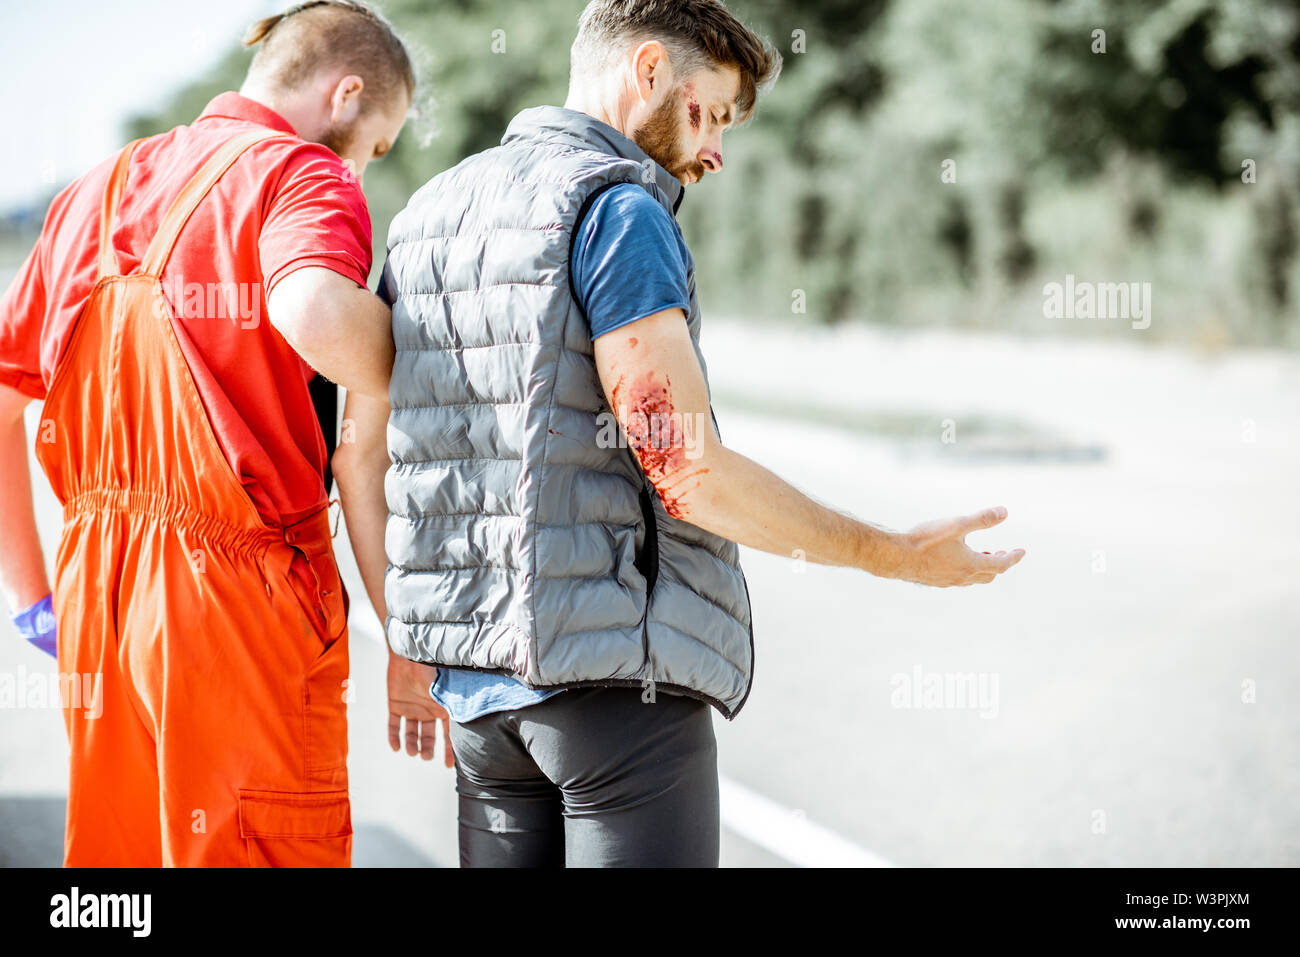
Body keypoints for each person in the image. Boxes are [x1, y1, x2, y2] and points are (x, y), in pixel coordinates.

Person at [339, 0, 1025, 868]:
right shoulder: (618, 212)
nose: (716, 152)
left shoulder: (427, 217)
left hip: (480, 707)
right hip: (617, 703)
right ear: (650, 70)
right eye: (712, 112)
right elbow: (685, 469)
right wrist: (891, 552)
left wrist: (407, 640)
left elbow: (359, 450)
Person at [0, 0, 420, 867]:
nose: (365, 170)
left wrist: (32, 595)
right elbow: (312, 312)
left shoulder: (93, 191)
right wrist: (446, 375)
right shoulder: (302, 176)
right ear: (345, 95)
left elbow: (4, 402)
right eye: (376, 145)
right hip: (237, 599)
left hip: (95, 594)